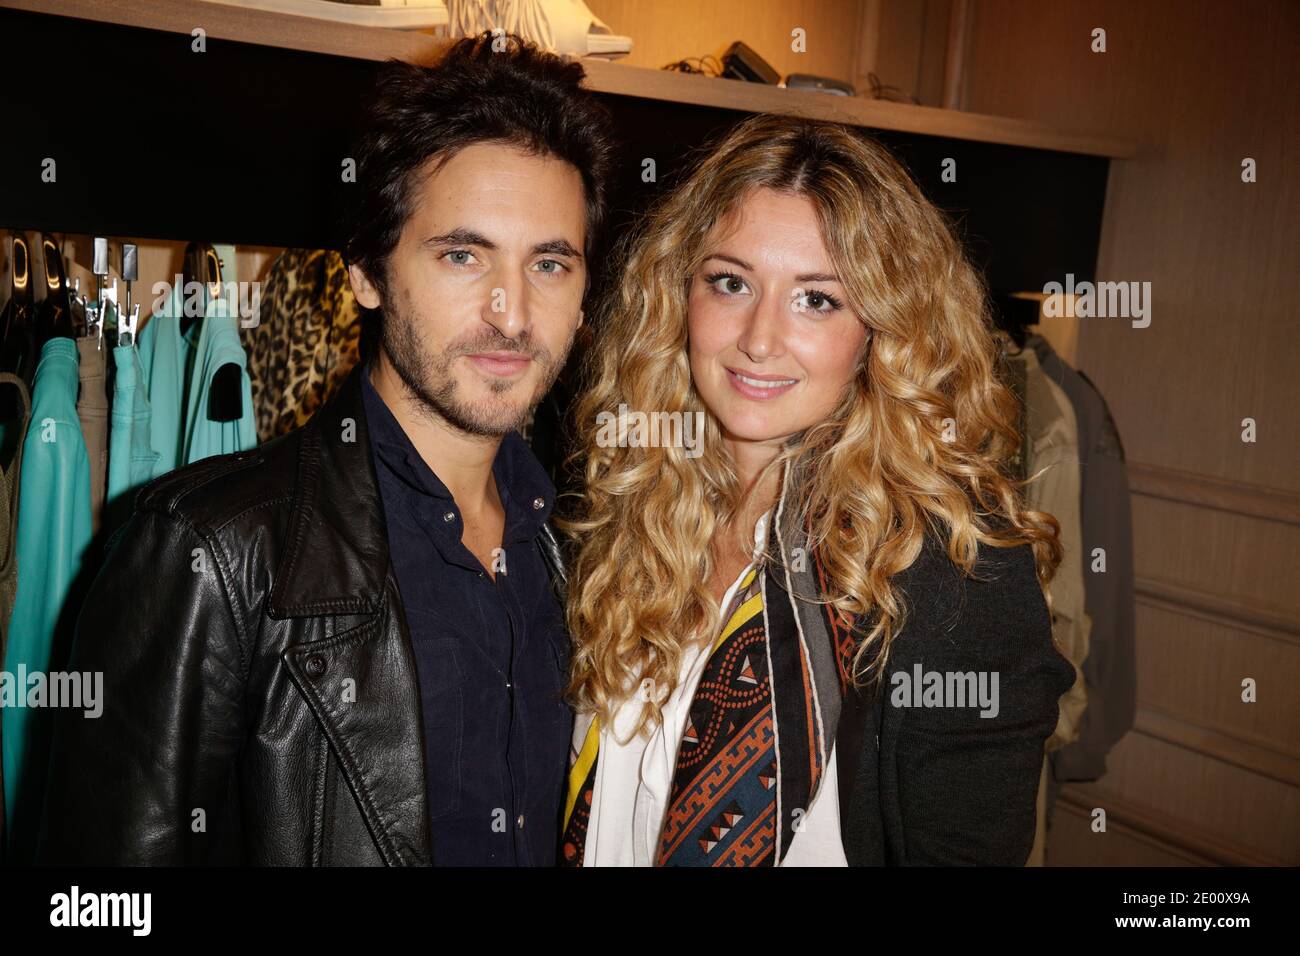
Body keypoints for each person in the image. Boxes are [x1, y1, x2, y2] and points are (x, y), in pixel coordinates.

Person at [36, 33, 614, 866]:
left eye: (550, 265)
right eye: (462, 254)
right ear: (366, 274)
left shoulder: (584, 549)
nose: (512, 312)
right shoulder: (212, 552)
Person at [559, 113, 1076, 866]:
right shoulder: (638, 501)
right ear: (679, 294)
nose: (760, 338)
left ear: (882, 329)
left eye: (816, 299)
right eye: (730, 283)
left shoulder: (954, 568)